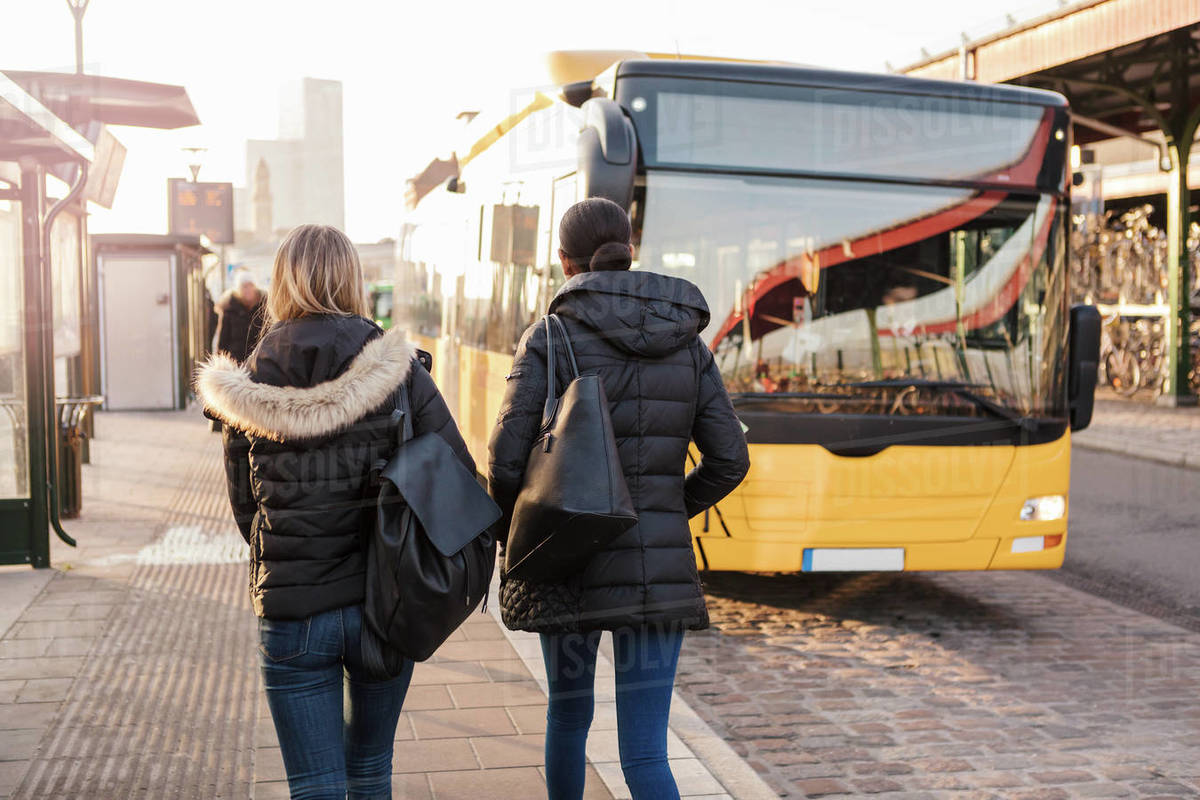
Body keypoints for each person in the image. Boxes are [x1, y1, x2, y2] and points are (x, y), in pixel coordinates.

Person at [195, 224, 472, 800]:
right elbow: (456, 479)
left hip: (293, 607)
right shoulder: (401, 373)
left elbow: (247, 511)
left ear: (282, 283)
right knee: (370, 771)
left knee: (314, 786)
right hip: (386, 601)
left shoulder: (248, 385)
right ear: (353, 280)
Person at [489, 197, 750, 800]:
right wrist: (663, 510)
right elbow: (730, 460)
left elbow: (503, 462)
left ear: (564, 262)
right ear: (630, 250)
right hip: (656, 572)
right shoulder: (688, 343)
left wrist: (519, 534)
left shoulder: (549, 337)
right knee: (645, 752)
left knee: (567, 718)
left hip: (566, 562)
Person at [213, 269, 267, 362]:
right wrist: (220, 362)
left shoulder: (264, 308)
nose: (248, 289)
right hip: (235, 363)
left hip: (259, 362)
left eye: (250, 285)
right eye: (244, 286)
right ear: (239, 290)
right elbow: (222, 342)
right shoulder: (229, 309)